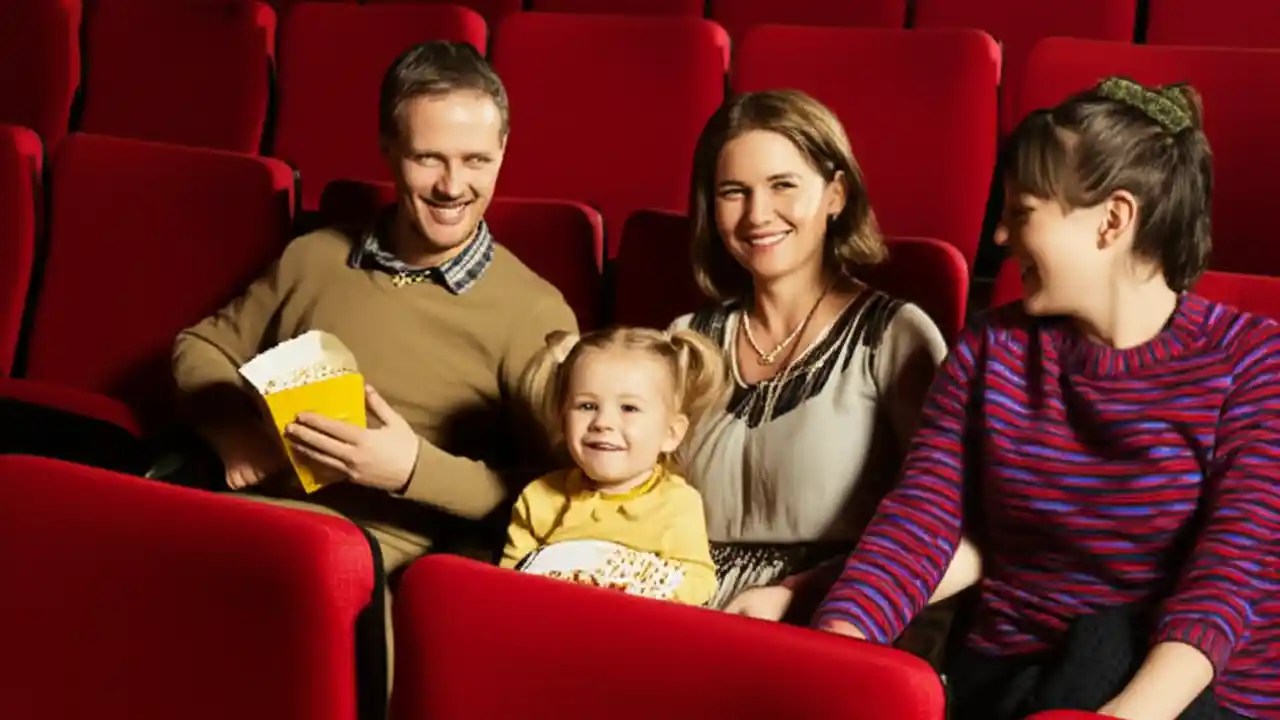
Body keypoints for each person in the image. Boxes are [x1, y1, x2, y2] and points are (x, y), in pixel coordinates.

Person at [814, 77, 1280, 720]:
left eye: (1022, 211)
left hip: (1178, 689)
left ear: (1112, 221)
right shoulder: (990, 349)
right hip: (1011, 676)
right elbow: (922, 520)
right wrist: (838, 648)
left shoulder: (1253, 358)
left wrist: (1122, 717)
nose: (1000, 236)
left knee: (1109, 646)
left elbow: (1232, 575)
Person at [168, 40, 577, 692]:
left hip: (365, 569)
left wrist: (412, 469)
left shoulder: (533, 311)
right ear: (388, 149)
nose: (453, 186)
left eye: (476, 160)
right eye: (428, 158)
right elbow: (202, 345)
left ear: (503, 154)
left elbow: (557, 496)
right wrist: (231, 430)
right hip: (234, 522)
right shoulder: (314, 258)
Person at [667, 89, 980, 662]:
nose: (757, 214)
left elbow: (944, 530)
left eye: (783, 185)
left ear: (836, 194)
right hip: (689, 620)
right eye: (734, 192)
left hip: (834, 623)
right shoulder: (686, 339)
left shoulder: (895, 335)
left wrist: (798, 596)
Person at [499, 327, 728, 606]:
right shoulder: (538, 498)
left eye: (628, 408)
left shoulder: (677, 505)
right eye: (586, 406)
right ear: (562, 419)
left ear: (671, 433)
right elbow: (505, 588)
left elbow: (700, 581)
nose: (602, 422)